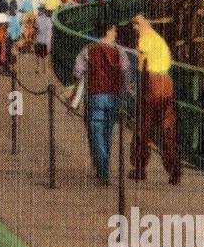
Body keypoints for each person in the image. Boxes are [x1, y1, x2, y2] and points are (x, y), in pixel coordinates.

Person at [72, 24, 132, 184]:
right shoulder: (120, 52)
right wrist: (123, 91)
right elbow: (126, 73)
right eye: (113, 31)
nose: (115, 33)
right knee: (107, 132)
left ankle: (102, 168)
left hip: (95, 95)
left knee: (96, 132)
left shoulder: (88, 50)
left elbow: (77, 72)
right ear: (108, 32)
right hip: (114, 96)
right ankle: (103, 166)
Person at [131, 14, 181, 184]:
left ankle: (139, 167)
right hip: (167, 82)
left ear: (140, 25)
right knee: (167, 127)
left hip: (152, 83)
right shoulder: (159, 40)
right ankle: (174, 168)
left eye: (135, 27)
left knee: (144, 126)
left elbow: (139, 64)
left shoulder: (144, 38)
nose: (134, 31)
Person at [34, 5, 52, 72]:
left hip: (39, 39)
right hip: (46, 40)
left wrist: (35, 38)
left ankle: (38, 67)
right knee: (45, 55)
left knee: (38, 55)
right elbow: (50, 30)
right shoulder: (49, 20)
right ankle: (45, 68)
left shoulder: (37, 19)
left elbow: (36, 29)